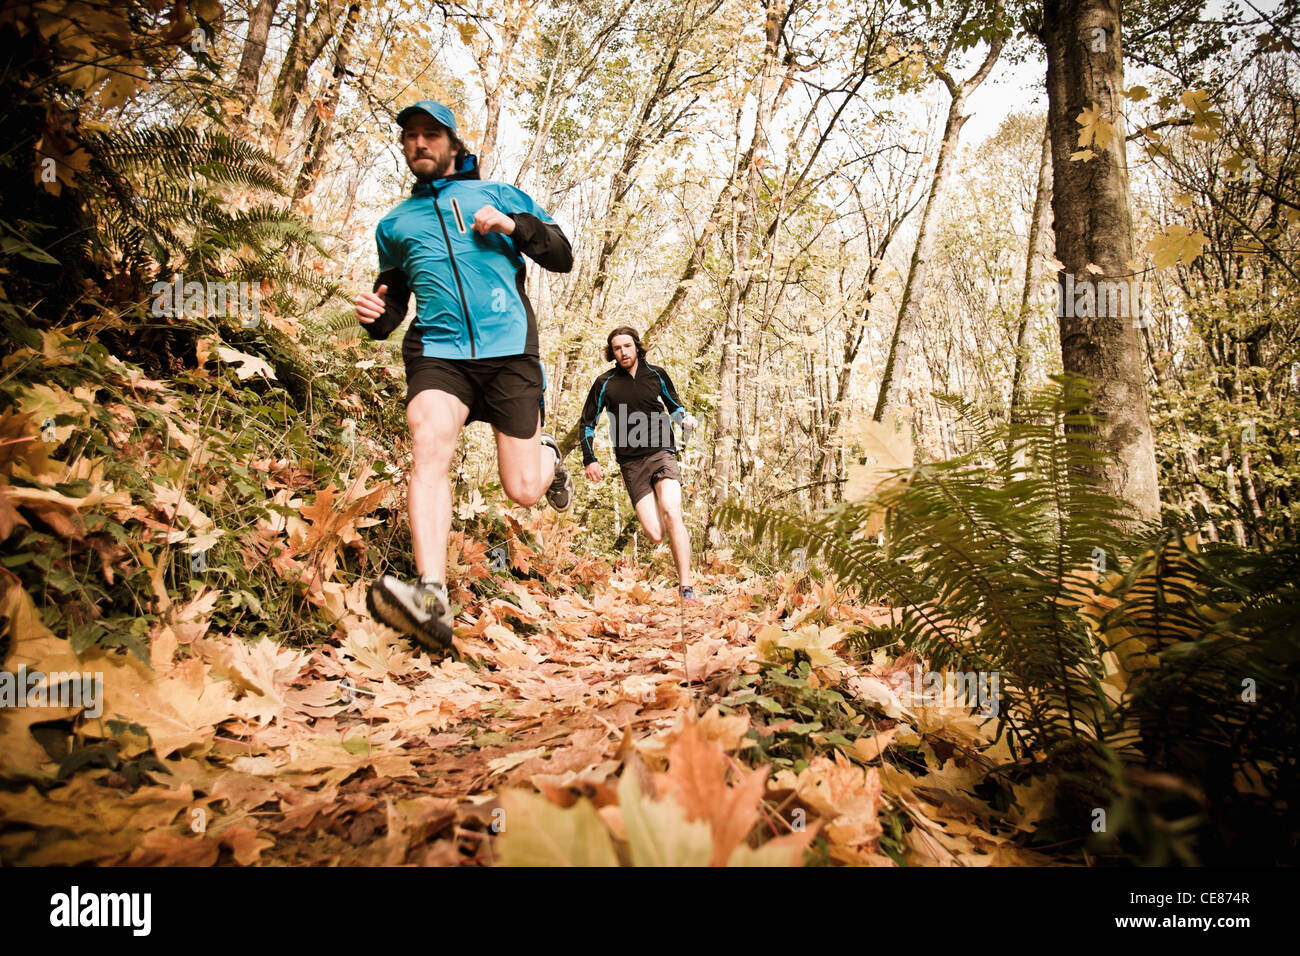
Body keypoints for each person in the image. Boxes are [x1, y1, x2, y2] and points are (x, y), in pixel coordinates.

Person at [354, 99, 574, 653]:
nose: (420, 144)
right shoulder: (394, 224)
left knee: (524, 490)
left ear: (454, 144)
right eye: (411, 136)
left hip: (509, 353)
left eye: (432, 134)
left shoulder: (497, 194)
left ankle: (548, 456)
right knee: (428, 441)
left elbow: (562, 254)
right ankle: (430, 598)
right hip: (438, 353)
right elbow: (395, 300)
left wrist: (512, 225)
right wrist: (379, 319)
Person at [579, 326, 699, 602]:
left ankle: (686, 587)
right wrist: (590, 459)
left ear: (637, 347)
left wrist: (685, 420)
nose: (623, 352)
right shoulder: (604, 383)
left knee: (672, 511)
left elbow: (675, 408)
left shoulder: (656, 374)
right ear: (612, 353)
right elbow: (587, 424)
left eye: (627, 346)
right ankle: (661, 503)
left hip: (661, 451)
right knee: (656, 535)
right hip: (631, 463)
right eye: (617, 348)